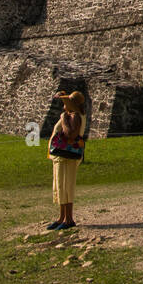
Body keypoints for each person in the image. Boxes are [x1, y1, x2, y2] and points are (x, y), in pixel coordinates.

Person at [48, 91, 87, 229]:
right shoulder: (72, 114)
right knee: (60, 185)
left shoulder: (75, 116)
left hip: (68, 155)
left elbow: (70, 134)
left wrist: (64, 117)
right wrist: (63, 94)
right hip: (61, 155)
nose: (64, 105)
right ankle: (62, 217)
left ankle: (69, 219)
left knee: (67, 186)